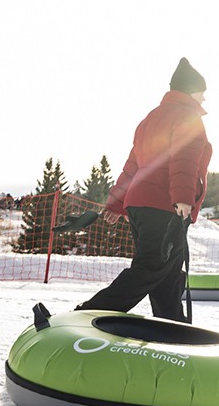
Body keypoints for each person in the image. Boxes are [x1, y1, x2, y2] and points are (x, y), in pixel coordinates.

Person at [76, 58, 211, 322]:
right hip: (166, 205)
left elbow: (133, 166)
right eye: (202, 92)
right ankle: (88, 314)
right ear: (189, 90)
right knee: (152, 266)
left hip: (140, 206)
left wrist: (116, 203)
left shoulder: (151, 118)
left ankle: (173, 324)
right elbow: (184, 159)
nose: (204, 99)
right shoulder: (188, 116)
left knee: (169, 272)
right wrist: (183, 198)